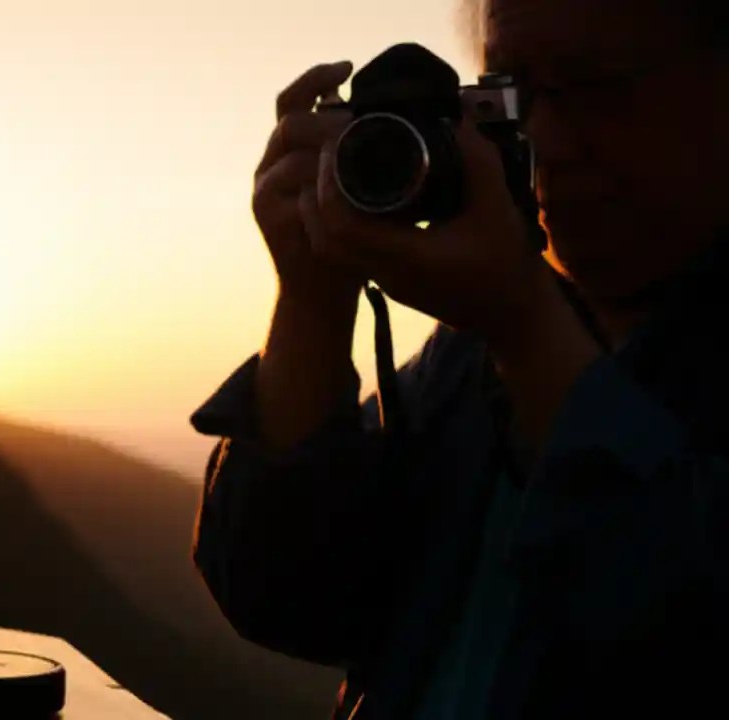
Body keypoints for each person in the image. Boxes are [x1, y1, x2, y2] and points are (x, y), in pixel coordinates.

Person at [188, 0, 727, 718]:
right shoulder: (471, 351)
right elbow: (290, 599)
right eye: (511, 92)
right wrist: (313, 301)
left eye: (597, 86)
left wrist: (525, 329)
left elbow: (682, 643)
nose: (545, 141)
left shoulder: (508, 322)